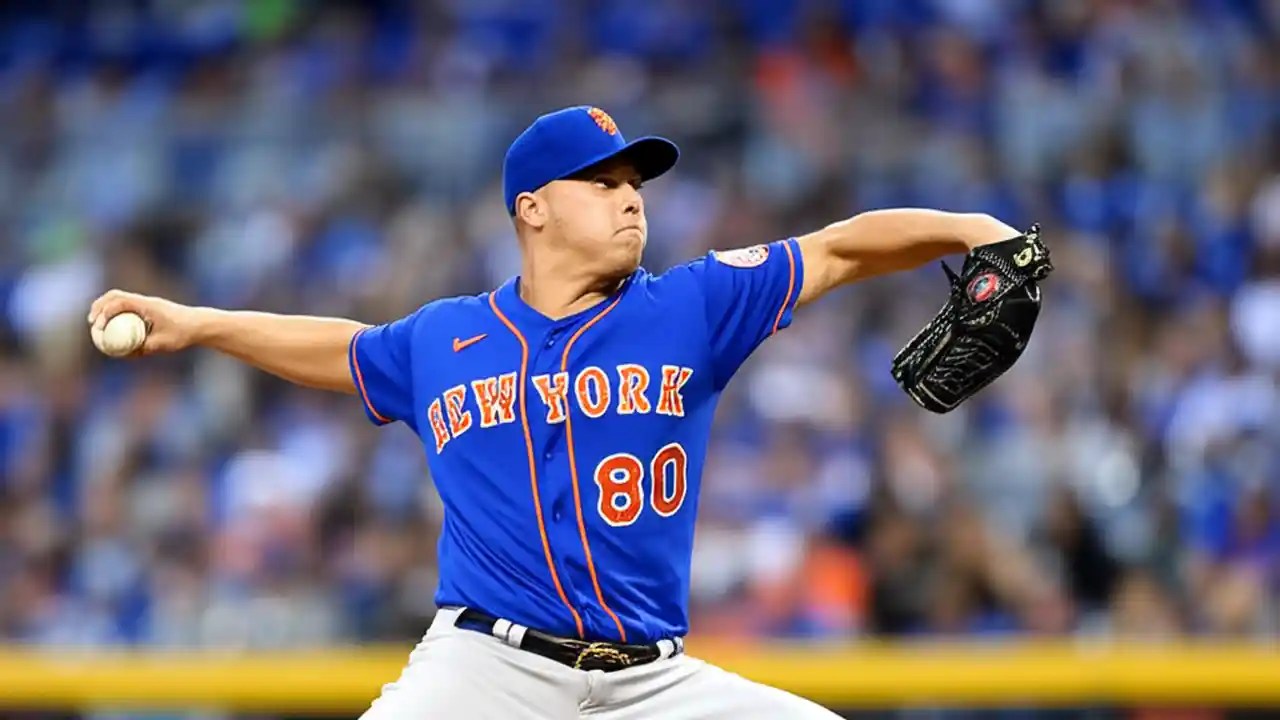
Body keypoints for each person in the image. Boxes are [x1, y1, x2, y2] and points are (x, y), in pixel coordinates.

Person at [88, 106, 1024, 719]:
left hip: (654, 681)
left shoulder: (688, 307)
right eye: (604, 183)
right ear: (532, 209)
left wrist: (973, 232)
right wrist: (201, 321)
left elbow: (839, 251)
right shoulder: (447, 337)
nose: (630, 201)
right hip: (485, 671)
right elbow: (338, 348)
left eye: (636, 185)